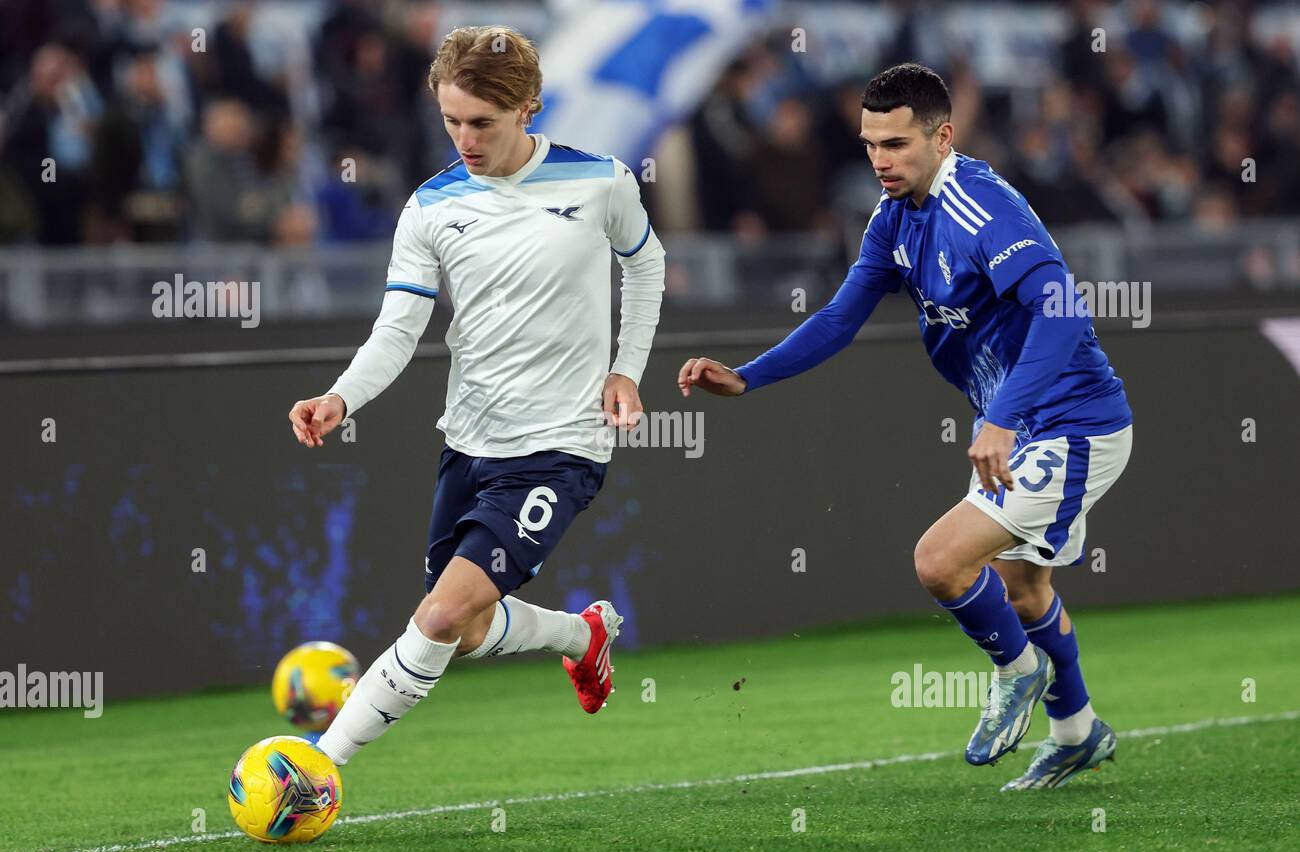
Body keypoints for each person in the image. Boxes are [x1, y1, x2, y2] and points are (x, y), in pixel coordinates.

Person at [678, 63, 1132, 791]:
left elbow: (1064, 308)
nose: (880, 160)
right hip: (1021, 426)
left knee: (940, 562)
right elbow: (838, 318)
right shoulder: (894, 219)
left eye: (896, 143)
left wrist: (1004, 418)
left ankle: (1018, 672)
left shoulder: (983, 207)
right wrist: (748, 375)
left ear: (942, 136)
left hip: (1072, 425)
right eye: (869, 145)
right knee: (1022, 590)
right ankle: (1078, 733)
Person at [288, 25, 665, 767]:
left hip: (561, 446)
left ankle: (316, 765)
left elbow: (646, 267)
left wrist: (628, 369)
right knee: (462, 627)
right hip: (469, 443)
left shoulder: (601, 180)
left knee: (439, 615)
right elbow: (398, 330)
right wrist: (341, 398)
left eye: (482, 122)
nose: (465, 137)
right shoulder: (431, 206)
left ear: (529, 107)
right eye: (452, 120)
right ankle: (582, 635)